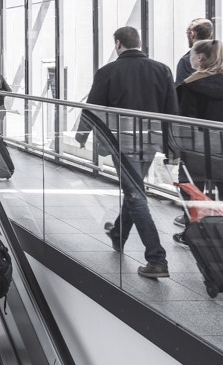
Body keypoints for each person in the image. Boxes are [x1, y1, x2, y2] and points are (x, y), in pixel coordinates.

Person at [83, 26, 177, 279]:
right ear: (139, 43)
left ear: (118, 44)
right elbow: (172, 111)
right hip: (151, 141)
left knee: (135, 195)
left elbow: (92, 108)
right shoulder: (162, 70)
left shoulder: (108, 71)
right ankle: (118, 234)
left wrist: (82, 135)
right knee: (134, 189)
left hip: (121, 142)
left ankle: (156, 258)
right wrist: (172, 147)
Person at [174, 38, 223, 222]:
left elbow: (186, 121)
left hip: (198, 149)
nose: (190, 58)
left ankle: (194, 228)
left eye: (191, 55)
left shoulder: (190, 86)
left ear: (200, 57)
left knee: (192, 188)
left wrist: (177, 149)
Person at [176, 18, 214, 84]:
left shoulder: (186, 61)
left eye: (187, 33)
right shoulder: (219, 56)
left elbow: (181, 88)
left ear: (192, 34)